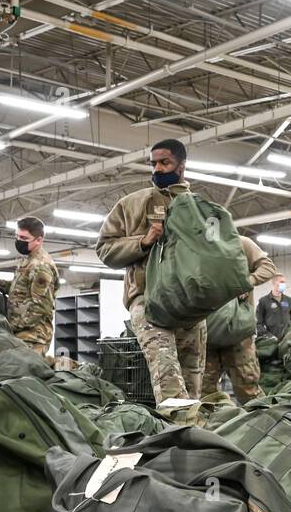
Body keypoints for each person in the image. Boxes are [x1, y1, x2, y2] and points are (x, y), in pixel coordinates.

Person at [95, 139, 205, 403]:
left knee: (192, 379)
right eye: (153, 163)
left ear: (181, 166)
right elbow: (104, 249)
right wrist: (142, 241)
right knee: (165, 370)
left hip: (190, 303)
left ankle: (187, 437)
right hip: (147, 298)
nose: (157, 168)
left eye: (164, 162)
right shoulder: (131, 204)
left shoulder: (201, 208)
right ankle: (181, 428)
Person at [201, 235, 277, 404]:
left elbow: (268, 267)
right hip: (207, 330)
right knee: (206, 394)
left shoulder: (240, 242)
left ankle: (261, 426)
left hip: (238, 329)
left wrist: (246, 282)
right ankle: (215, 427)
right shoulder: (196, 246)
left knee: (247, 387)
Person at [0, 216, 56, 354]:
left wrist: (15, 325)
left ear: (39, 240)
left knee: (23, 371)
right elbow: (22, 290)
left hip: (33, 334)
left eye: (24, 238)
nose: (18, 241)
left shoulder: (41, 266)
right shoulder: (28, 261)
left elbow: (41, 306)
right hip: (21, 332)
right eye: (17, 236)